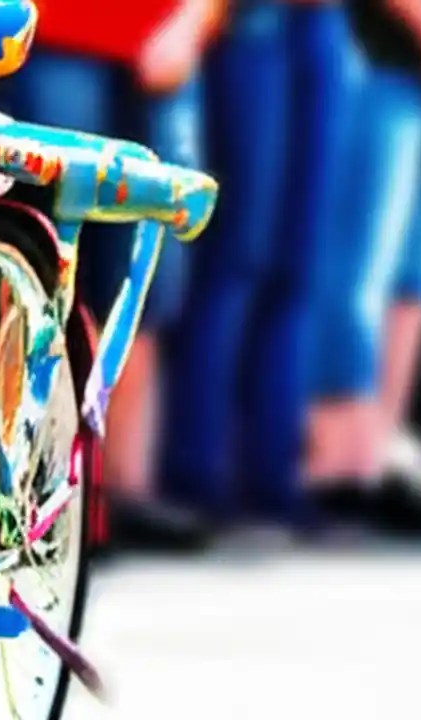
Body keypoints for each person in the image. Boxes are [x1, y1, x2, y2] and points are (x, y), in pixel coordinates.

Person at [12, 0, 224, 551]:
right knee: (46, 265)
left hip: (163, 35)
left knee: (147, 275)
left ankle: (123, 490)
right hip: (55, 32)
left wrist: (196, 18)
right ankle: (41, 488)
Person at [160, 0, 355, 533]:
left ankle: (272, 477)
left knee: (295, 267)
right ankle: (198, 470)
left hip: (322, 25)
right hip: (252, 21)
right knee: (239, 256)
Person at [306, 0, 421, 538]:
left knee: (417, 281)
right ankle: (338, 463)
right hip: (379, 66)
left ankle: (376, 455)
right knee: (359, 271)